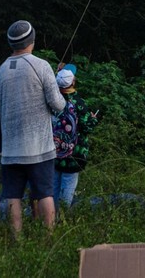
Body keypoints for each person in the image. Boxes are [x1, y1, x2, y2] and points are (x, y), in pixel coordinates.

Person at [0, 20, 65, 236]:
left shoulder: (1, 70)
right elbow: (58, 104)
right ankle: (48, 237)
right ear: (32, 40)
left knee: (12, 196)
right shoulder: (41, 65)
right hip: (39, 149)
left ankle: (17, 240)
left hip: (10, 151)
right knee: (45, 194)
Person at [52, 65, 98, 209]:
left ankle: (50, 215)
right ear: (73, 82)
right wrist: (93, 119)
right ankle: (62, 215)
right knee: (68, 184)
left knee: (54, 183)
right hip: (74, 153)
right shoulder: (79, 103)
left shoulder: (52, 100)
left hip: (53, 151)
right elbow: (87, 127)